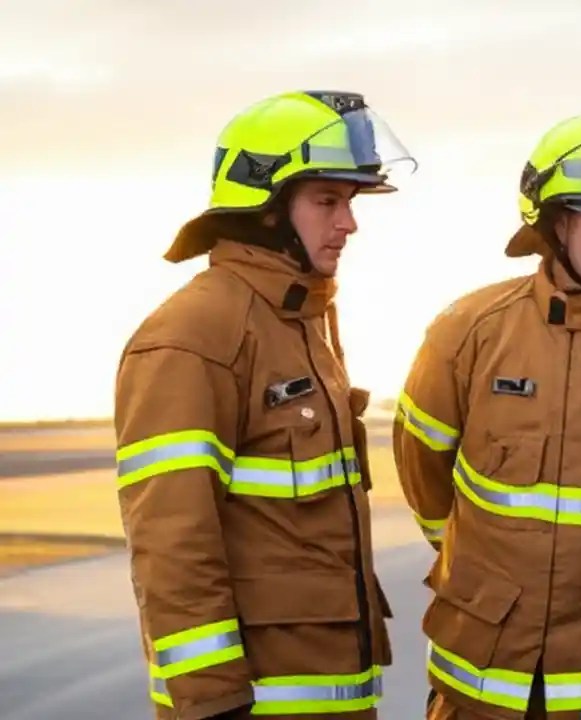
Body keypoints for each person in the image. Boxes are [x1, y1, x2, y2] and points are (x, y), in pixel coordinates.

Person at [114, 90, 417, 720]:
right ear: (268, 208)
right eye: (327, 201)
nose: (349, 222)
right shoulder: (195, 335)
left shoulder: (300, 322)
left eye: (351, 202)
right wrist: (212, 703)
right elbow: (172, 542)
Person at [392, 105, 581, 720]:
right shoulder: (466, 333)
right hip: (479, 677)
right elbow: (423, 474)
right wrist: (480, 568)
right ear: (555, 223)